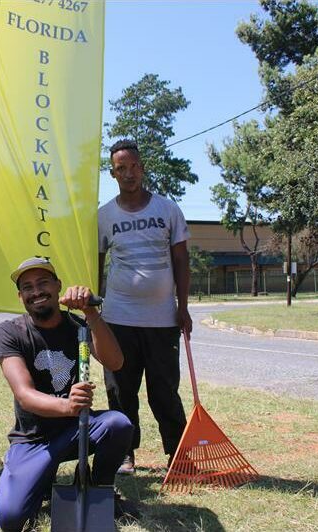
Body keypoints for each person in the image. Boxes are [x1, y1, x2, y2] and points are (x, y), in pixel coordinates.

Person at [0, 257, 134, 532]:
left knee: (119, 424)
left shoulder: (79, 325)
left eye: (43, 282)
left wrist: (92, 313)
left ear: (58, 286)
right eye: (28, 287)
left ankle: (99, 488)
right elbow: (25, 395)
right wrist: (68, 405)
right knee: (11, 519)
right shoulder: (10, 332)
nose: (37, 291)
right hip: (34, 440)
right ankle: (35, 474)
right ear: (20, 296)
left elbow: (115, 362)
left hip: (77, 430)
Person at [98, 139, 193, 475]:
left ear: (142, 167)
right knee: (121, 390)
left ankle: (178, 454)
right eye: (121, 168)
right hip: (117, 318)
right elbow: (96, 263)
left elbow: (181, 260)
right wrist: (94, 311)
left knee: (164, 390)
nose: (128, 173)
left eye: (133, 166)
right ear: (113, 173)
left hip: (162, 318)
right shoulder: (104, 215)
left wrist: (183, 306)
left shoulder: (168, 210)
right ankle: (125, 453)